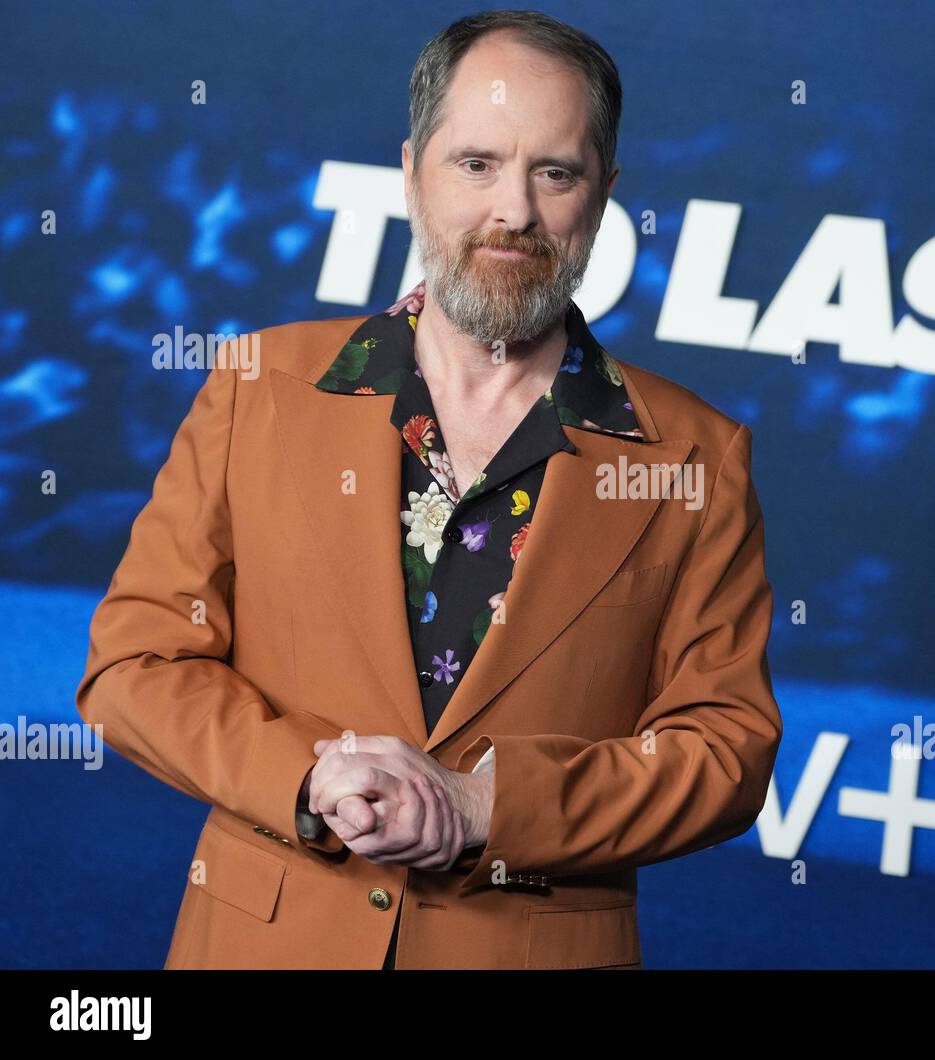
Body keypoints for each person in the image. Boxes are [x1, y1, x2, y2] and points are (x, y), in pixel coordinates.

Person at [76, 8, 781, 970]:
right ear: (413, 171)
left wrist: (489, 806)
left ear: (604, 197)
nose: (515, 212)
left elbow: (727, 751)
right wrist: (312, 778)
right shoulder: (258, 391)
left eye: (556, 172)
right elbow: (133, 666)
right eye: (477, 164)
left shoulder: (694, 456)